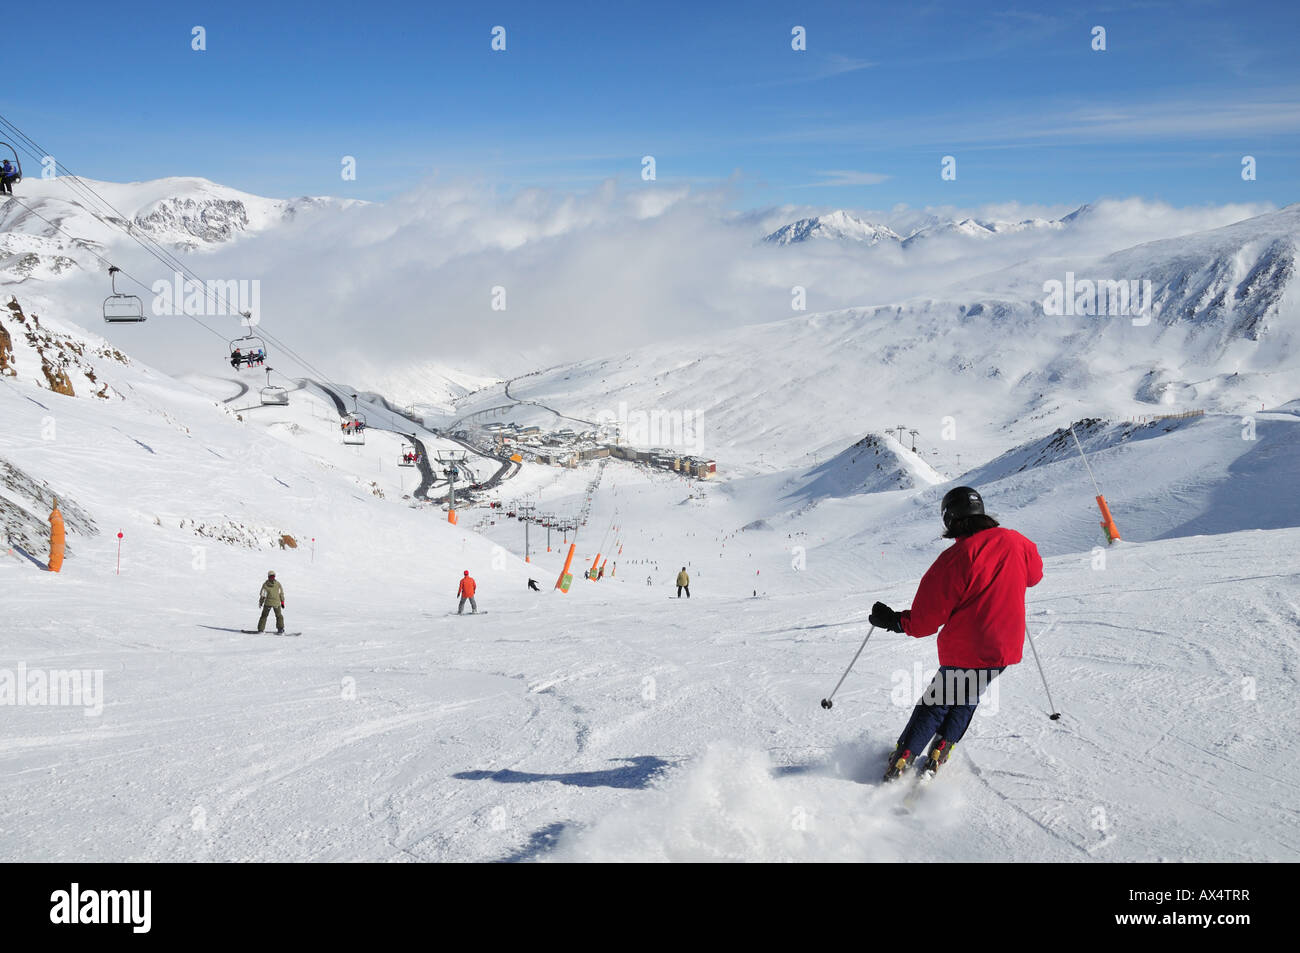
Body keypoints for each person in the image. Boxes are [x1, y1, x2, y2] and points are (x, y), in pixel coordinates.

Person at [869, 486, 1043, 782]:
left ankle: (901, 761)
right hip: (1003, 649)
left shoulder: (956, 557)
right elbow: (1034, 575)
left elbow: (925, 619)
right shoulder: (1017, 541)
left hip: (967, 648)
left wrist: (895, 621)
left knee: (936, 703)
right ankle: (939, 753)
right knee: (967, 695)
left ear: (949, 519)